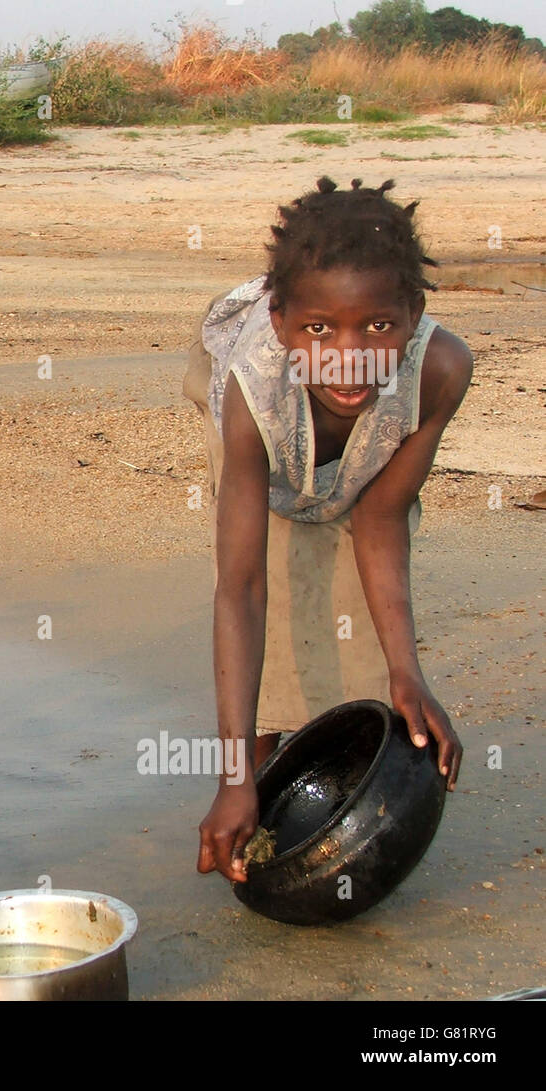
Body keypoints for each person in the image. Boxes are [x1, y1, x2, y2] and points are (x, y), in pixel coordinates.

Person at [184, 177, 469, 884]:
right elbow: (242, 588)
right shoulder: (253, 390)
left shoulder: (439, 371)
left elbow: (377, 518)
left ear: (413, 315)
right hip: (259, 431)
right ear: (283, 323)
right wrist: (231, 776)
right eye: (320, 329)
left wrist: (409, 671)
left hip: (360, 465)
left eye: (378, 327)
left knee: (365, 653)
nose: (350, 357)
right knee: (279, 579)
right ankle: (252, 790)